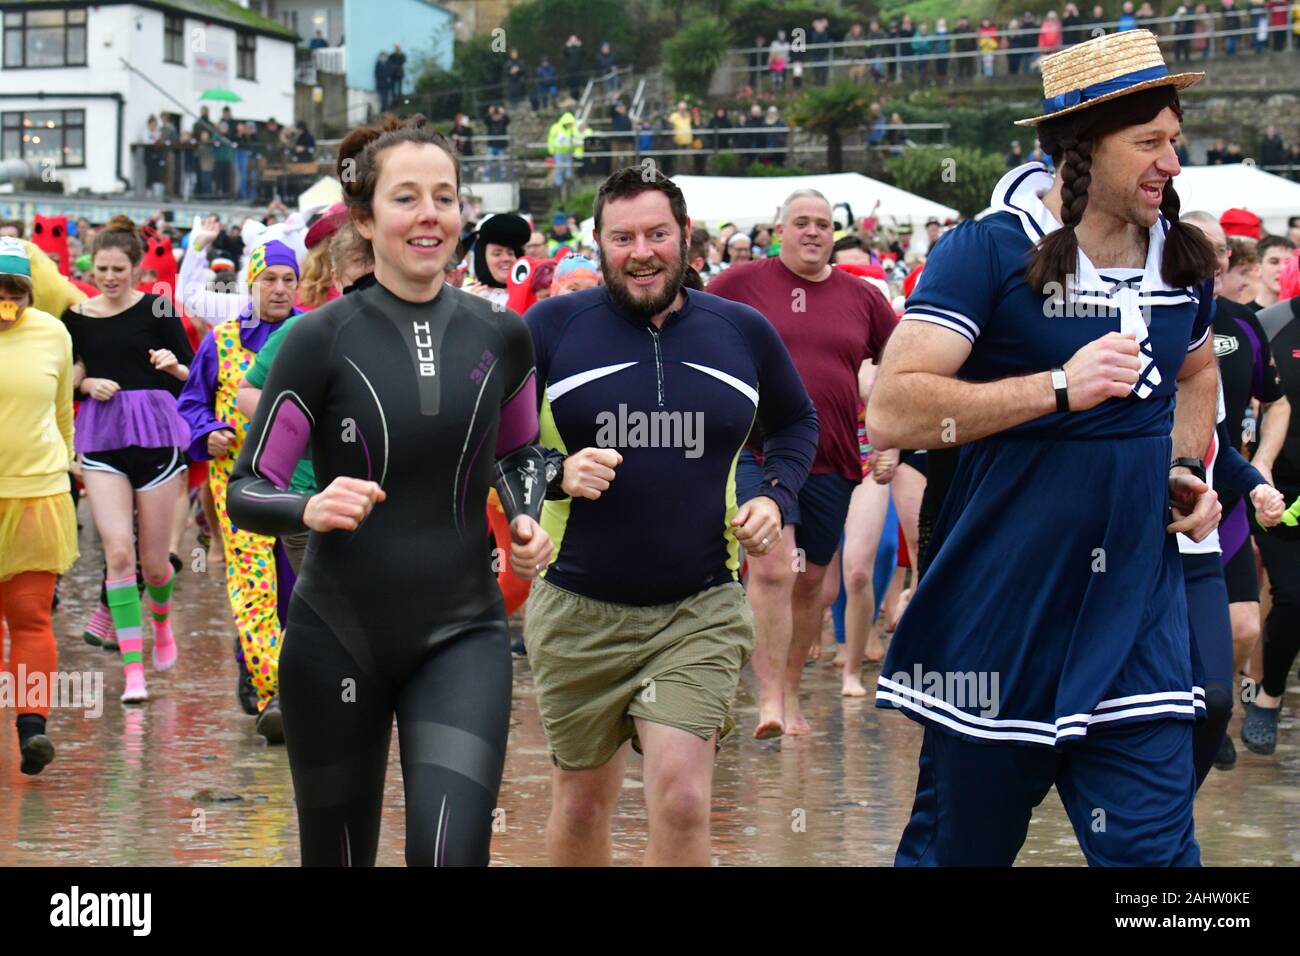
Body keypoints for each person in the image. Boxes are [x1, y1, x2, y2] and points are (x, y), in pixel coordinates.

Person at [866, 30, 1221, 866]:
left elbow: (1200, 375)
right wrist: (1056, 386)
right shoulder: (988, 250)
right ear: (1080, 151)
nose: (1172, 162)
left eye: (1175, 139)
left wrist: (1179, 464)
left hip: (1137, 611)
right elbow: (893, 411)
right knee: (958, 852)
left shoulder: (1186, 261)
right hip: (1001, 612)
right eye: (1149, 143)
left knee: (1159, 863)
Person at [226, 115, 550, 867]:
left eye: (445, 196)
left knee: (449, 857)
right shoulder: (319, 339)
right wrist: (306, 507)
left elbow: (522, 452)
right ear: (367, 220)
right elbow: (248, 489)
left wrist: (528, 519)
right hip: (338, 634)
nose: (430, 214)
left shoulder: (502, 335)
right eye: (407, 198)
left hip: (463, 635)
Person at [521, 167, 817, 865]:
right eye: (622, 237)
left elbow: (795, 418)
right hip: (576, 611)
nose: (641, 251)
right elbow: (492, 446)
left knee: (683, 800)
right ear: (598, 243)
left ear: (685, 237)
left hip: (700, 610)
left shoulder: (739, 331)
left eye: (657, 233)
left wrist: (775, 493)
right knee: (583, 801)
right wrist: (556, 475)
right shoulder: (553, 327)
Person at [709, 190, 898, 737]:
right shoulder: (741, 283)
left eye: (822, 224)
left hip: (833, 456)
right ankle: (768, 700)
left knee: (812, 581)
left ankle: (789, 693)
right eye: (801, 223)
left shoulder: (860, 297)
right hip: (755, 448)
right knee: (770, 564)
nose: (812, 232)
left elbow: (899, 362)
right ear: (780, 230)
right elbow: (686, 318)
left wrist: (890, 434)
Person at [177, 226, 302, 739]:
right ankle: (278, 695)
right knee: (254, 592)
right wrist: (206, 433)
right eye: (269, 278)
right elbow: (191, 404)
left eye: (288, 279)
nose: (278, 288)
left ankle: (265, 671)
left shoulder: (313, 336)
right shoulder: (221, 341)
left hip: (301, 490)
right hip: (241, 490)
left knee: (295, 596)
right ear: (251, 283)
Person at [62, 217, 193, 704]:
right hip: (102, 438)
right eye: (102, 268)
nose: (110, 276)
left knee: (155, 566)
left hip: (156, 434)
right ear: (90, 266)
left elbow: (190, 371)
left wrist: (169, 364)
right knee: (118, 553)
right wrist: (85, 384)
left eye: (119, 268)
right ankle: (133, 671)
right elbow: (70, 371)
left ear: (137, 268)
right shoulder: (74, 315)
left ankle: (161, 622)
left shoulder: (158, 306)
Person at [1180, 211, 1289, 772]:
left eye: (1224, 249)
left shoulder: (1243, 324)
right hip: (1162, 516)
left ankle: (1215, 713)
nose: (1219, 258)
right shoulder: (1157, 319)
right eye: (1208, 246)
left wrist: (1258, 480)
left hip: (1221, 500)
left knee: (1245, 625)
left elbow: (1228, 432)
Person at [0, 238, 79, 773]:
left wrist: (71, 467)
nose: (6, 301)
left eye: (15, 291)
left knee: (29, 618)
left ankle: (33, 727)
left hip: (38, 494)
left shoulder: (54, 333)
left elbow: (62, 414)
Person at [463, 213, 530, 308]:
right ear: (482, 258)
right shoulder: (462, 297)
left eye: (510, 253)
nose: (506, 258)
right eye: (497, 254)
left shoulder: (530, 297)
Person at [1253, 235, 1295, 309]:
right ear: (1257, 269)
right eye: (1274, 262)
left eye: (1288, 262)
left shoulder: (1297, 314)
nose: (1283, 269)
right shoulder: (1243, 315)